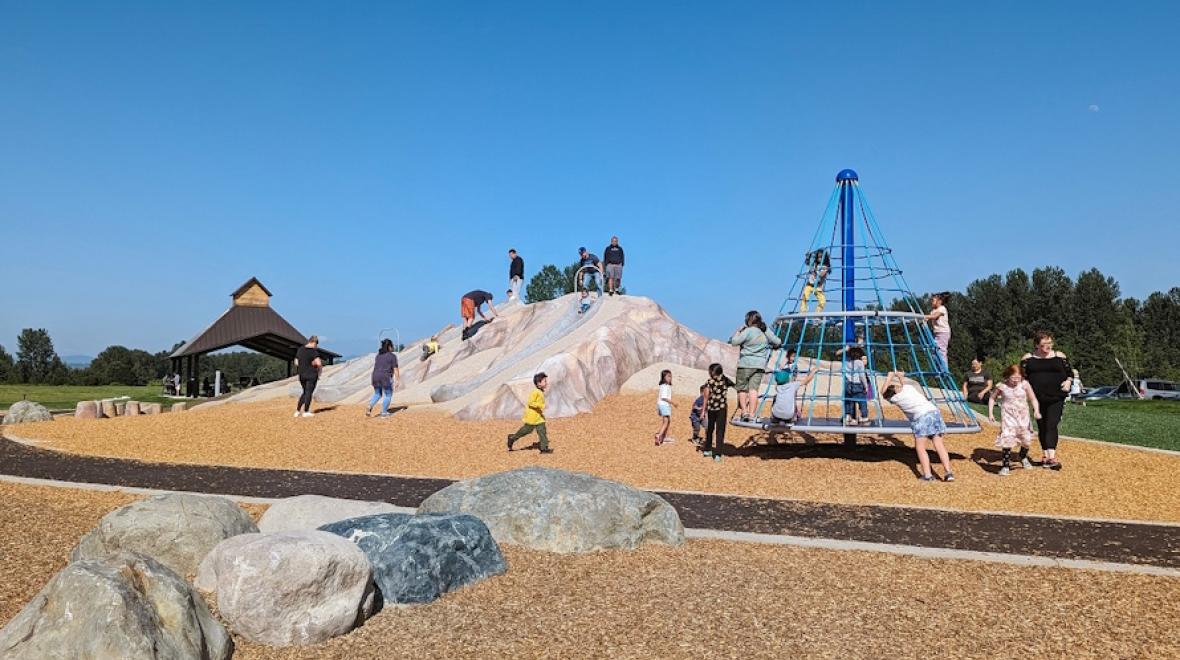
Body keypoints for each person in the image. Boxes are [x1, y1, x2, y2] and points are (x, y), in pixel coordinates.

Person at [881, 371, 954, 482]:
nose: (898, 386)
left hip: (922, 417)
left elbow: (883, 392)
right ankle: (948, 473)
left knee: (920, 447)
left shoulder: (895, 399)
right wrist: (900, 377)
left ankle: (928, 475)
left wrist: (889, 377)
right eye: (896, 386)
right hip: (934, 413)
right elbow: (903, 385)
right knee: (939, 444)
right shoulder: (909, 388)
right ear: (895, 390)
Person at [1020, 331, 1073, 470]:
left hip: (1056, 396)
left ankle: (1051, 456)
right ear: (1037, 345)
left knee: (1051, 423)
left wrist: (1068, 382)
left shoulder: (1059, 356)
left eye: (1050, 343)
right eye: (1044, 344)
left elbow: (1070, 373)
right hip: (1037, 398)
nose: (1048, 346)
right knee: (1042, 425)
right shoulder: (1028, 359)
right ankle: (1045, 455)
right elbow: (1022, 377)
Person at [728, 310, 782, 422]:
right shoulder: (765, 331)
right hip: (759, 365)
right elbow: (778, 341)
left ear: (748, 320)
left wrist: (738, 331)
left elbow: (734, 341)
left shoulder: (748, 331)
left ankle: (744, 412)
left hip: (745, 363)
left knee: (742, 389)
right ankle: (752, 414)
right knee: (754, 390)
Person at [988, 365, 1040, 476]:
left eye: (1018, 377)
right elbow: (992, 398)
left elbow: (1033, 398)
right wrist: (991, 413)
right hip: (1008, 416)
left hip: (1023, 416)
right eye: (1013, 378)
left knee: (1026, 440)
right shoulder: (1002, 386)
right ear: (1008, 376)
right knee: (1007, 439)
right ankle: (1005, 466)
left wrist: (1036, 410)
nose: (1016, 380)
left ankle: (1022, 456)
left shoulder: (1025, 385)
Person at [507, 372, 553, 454]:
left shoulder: (540, 392)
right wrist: (540, 405)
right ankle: (512, 438)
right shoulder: (535, 392)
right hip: (532, 417)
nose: (546, 383)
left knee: (542, 431)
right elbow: (530, 402)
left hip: (539, 417)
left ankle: (544, 448)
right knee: (526, 430)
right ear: (539, 383)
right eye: (544, 381)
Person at [702, 363, 736, 462]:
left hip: (716, 408)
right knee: (717, 430)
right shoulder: (723, 380)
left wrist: (703, 410)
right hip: (718, 408)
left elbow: (706, 396)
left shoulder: (712, 381)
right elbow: (737, 386)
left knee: (713, 429)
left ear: (713, 372)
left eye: (710, 371)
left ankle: (712, 451)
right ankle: (714, 452)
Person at [367, 338, 402, 417]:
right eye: (392, 346)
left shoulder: (378, 356)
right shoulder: (392, 356)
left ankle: (370, 406)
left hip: (375, 376)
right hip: (385, 377)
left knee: (377, 394)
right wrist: (398, 380)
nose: (393, 347)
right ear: (389, 347)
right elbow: (395, 369)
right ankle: (384, 412)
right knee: (388, 394)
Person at [293, 336, 323, 417]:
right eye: (316, 344)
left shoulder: (300, 349)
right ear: (314, 342)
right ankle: (306, 411)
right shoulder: (313, 351)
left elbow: (296, 362)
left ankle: (297, 411)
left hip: (302, 374)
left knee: (305, 392)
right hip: (311, 374)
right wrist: (319, 371)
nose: (316, 346)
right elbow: (319, 363)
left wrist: (304, 364)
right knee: (309, 392)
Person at [843, 346, 870, 425]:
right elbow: (862, 375)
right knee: (862, 401)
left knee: (849, 401)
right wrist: (866, 386)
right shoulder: (859, 362)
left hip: (847, 384)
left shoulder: (846, 361)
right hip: (857, 384)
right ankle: (864, 417)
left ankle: (849, 416)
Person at [925, 292, 951, 369]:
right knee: (934, 350)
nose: (931, 302)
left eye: (933, 301)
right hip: (936, 334)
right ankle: (938, 368)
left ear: (939, 301)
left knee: (941, 351)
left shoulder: (942, 309)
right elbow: (928, 318)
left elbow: (934, 316)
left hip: (943, 333)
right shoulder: (932, 311)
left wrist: (925, 316)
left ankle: (944, 369)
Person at [654, 369, 675, 446]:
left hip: (663, 405)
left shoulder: (664, 386)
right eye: (668, 376)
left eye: (671, 376)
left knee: (667, 421)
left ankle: (664, 437)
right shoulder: (665, 386)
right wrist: (673, 403)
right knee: (666, 422)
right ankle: (659, 435)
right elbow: (664, 397)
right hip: (664, 405)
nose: (670, 378)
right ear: (663, 377)